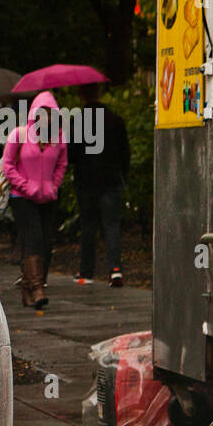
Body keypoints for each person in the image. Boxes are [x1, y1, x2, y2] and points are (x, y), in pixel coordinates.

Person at [3, 91, 67, 308]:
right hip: (22, 198)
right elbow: (8, 165)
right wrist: (24, 185)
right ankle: (38, 288)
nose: (47, 118)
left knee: (47, 241)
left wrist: (53, 185)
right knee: (33, 239)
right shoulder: (19, 135)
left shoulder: (59, 139)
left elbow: (62, 165)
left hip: (48, 197)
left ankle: (27, 288)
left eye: (50, 114)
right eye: (43, 113)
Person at [73, 84, 129, 287]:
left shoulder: (77, 121)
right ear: (100, 94)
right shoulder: (115, 120)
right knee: (112, 225)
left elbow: (71, 154)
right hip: (111, 181)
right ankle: (115, 270)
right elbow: (125, 154)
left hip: (86, 182)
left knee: (88, 226)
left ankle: (86, 272)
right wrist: (123, 176)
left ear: (81, 95)